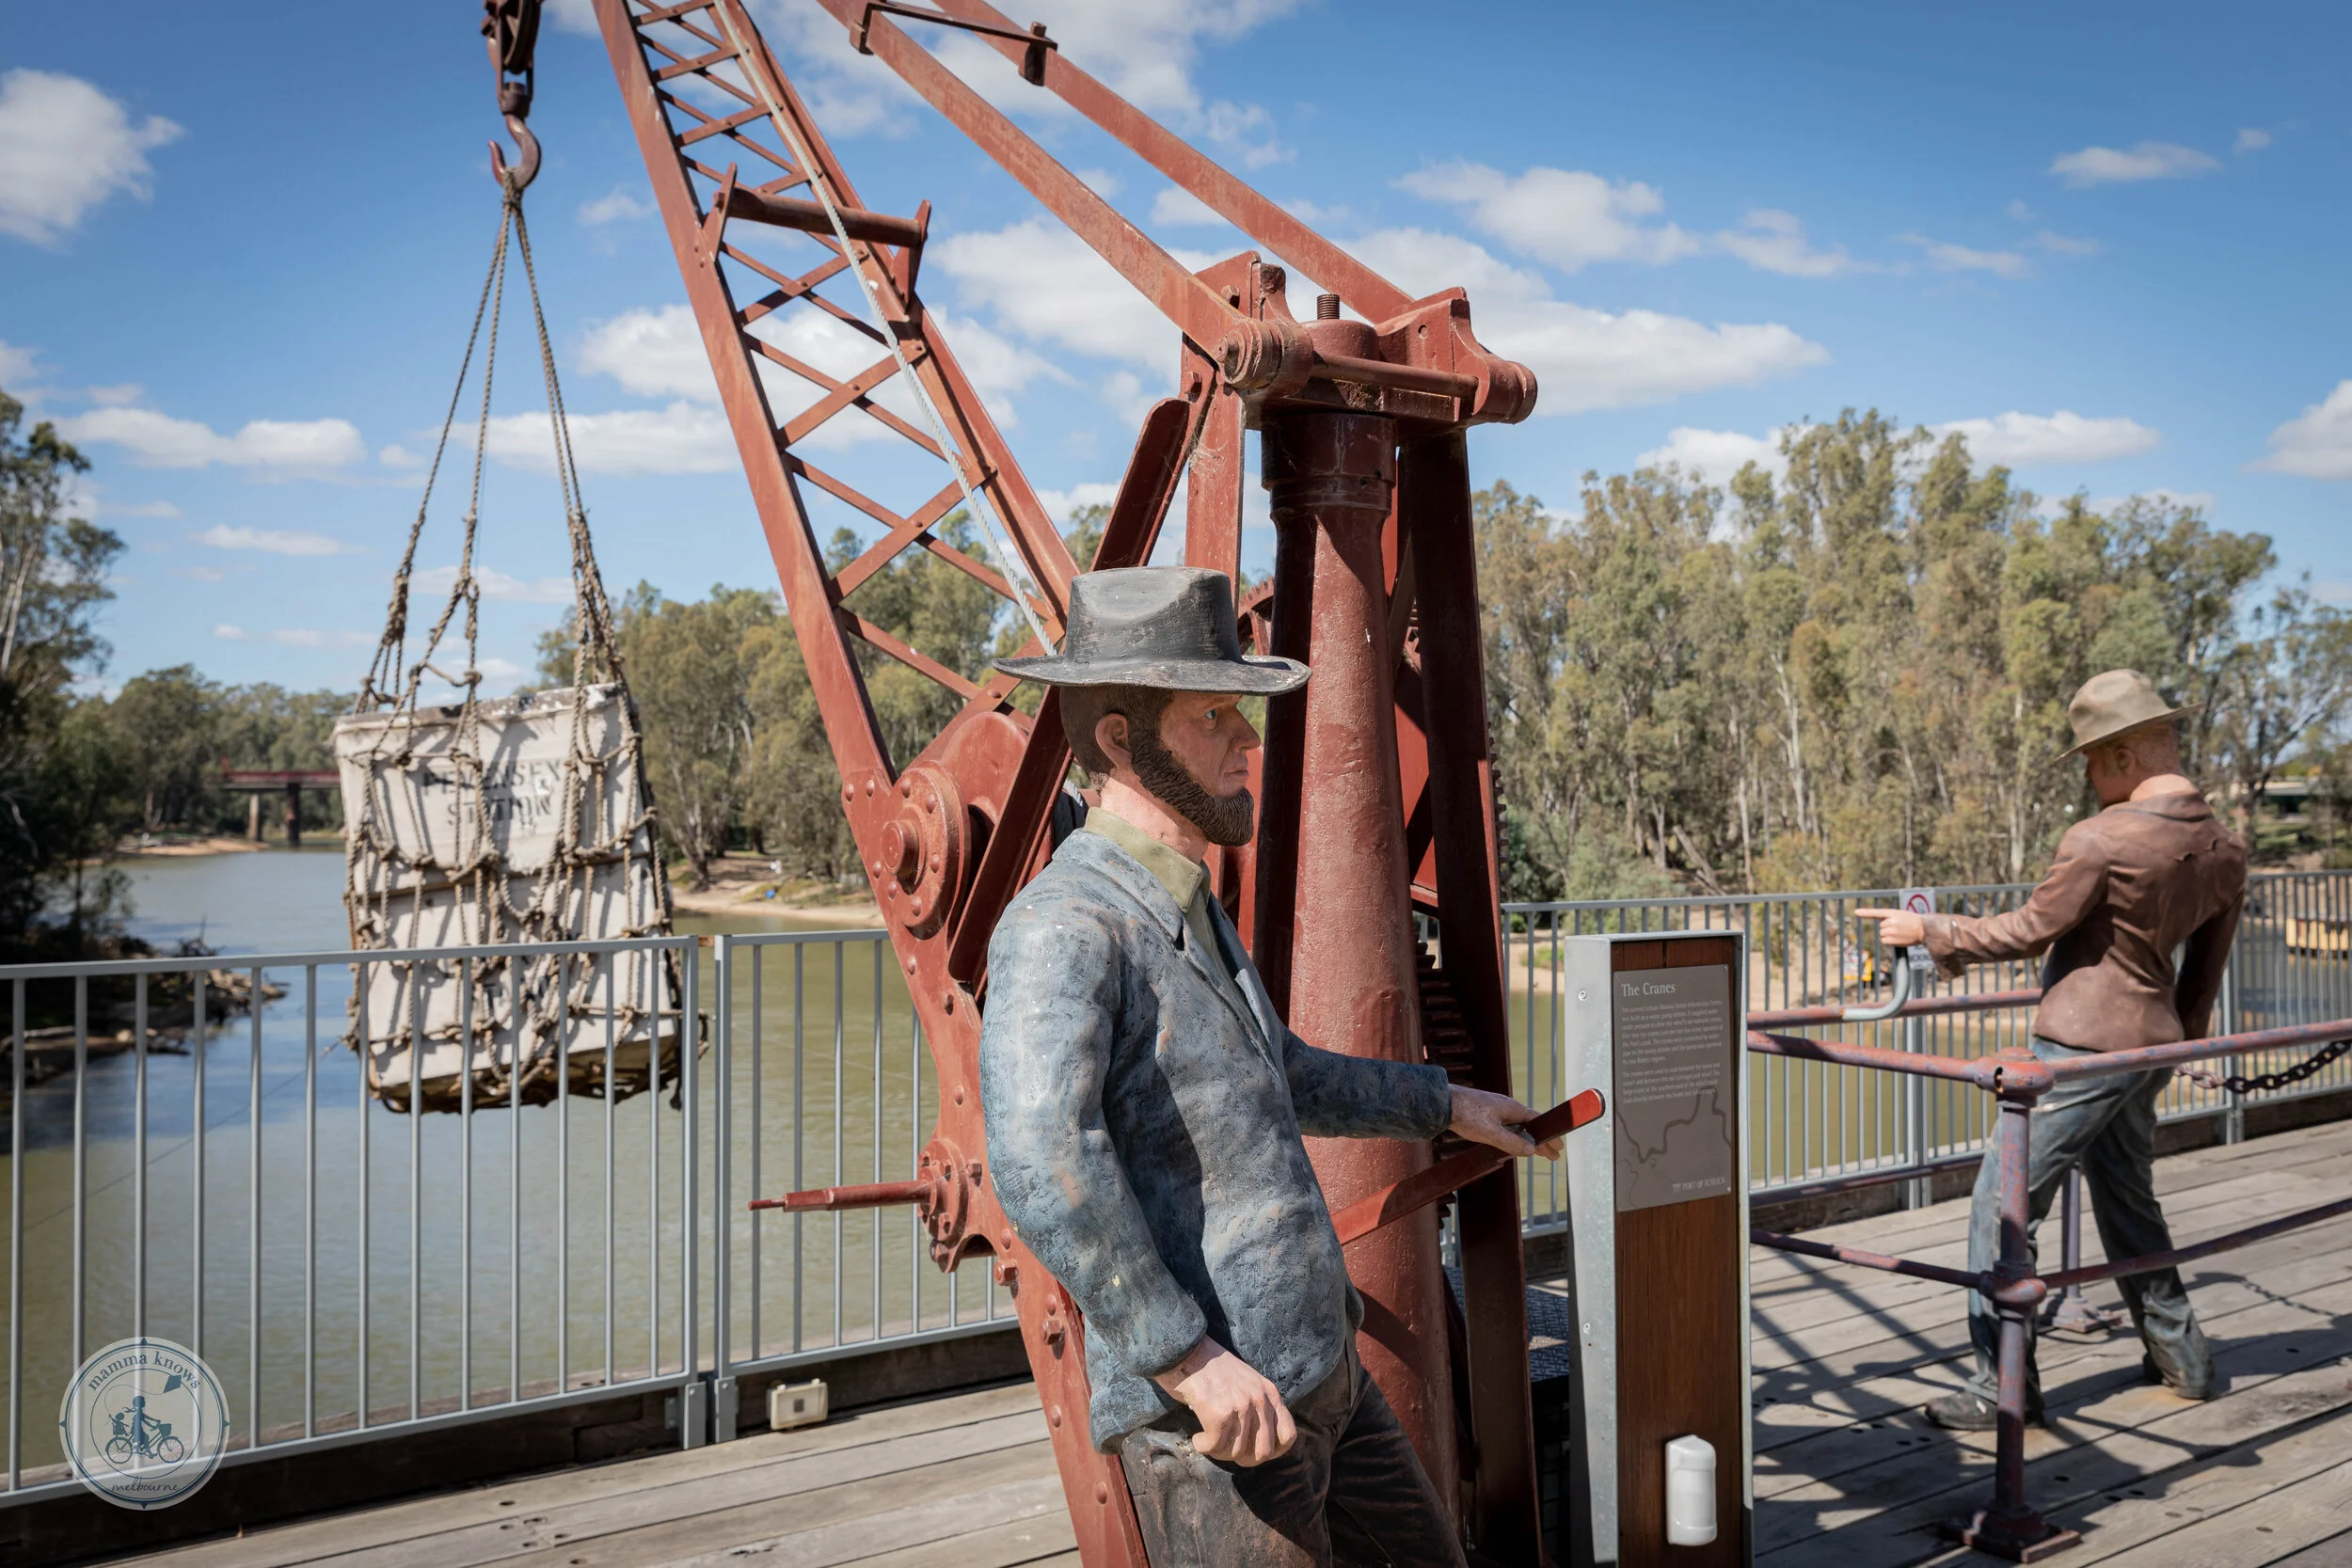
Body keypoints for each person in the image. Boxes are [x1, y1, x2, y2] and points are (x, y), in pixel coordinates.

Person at [981, 566, 1561, 1566]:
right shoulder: (1063, 925)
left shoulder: (1187, 904)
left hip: (1320, 1369)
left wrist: (1444, 1101)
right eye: (1215, 716)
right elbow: (1045, 1162)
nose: (1247, 740)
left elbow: (1278, 1073)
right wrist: (1185, 1356)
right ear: (1120, 738)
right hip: (1220, 1421)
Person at [1858, 669, 2246, 1431]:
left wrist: (1930, 932)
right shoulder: (2223, 845)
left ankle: (2000, 1387)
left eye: (2095, 764)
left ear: (2126, 755)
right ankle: (2184, 1359)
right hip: (2146, 1052)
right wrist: (2172, 1052)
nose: (2094, 780)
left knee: (1999, 1208)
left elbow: (2027, 929)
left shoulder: (2102, 839)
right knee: (2131, 1203)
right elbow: (2203, 978)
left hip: (2076, 1048)